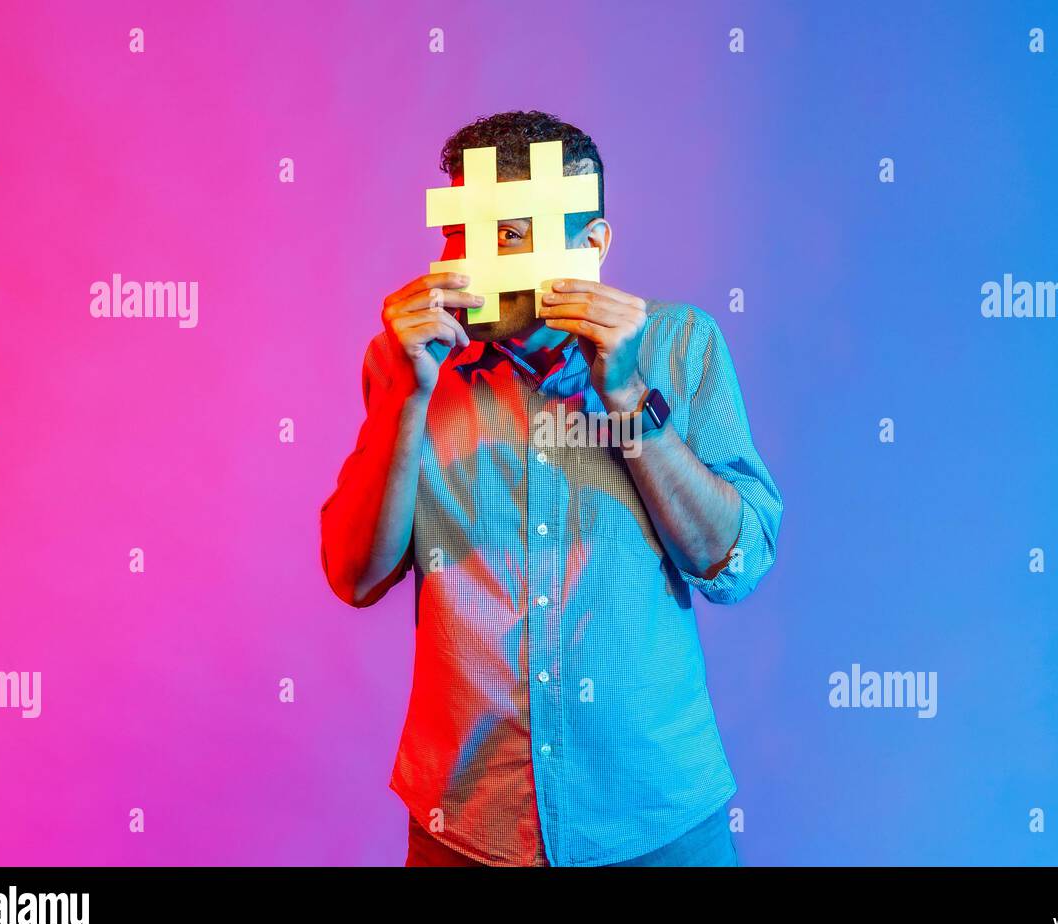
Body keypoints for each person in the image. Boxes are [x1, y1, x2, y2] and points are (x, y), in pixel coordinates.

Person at [320, 110, 782, 866]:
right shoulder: (410, 367)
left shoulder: (682, 343)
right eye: (458, 233)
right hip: (467, 828)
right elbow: (353, 574)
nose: (472, 262)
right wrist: (404, 399)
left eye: (508, 235)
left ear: (592, 245)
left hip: (656, 823)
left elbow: (738, 563)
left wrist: (631, 395)